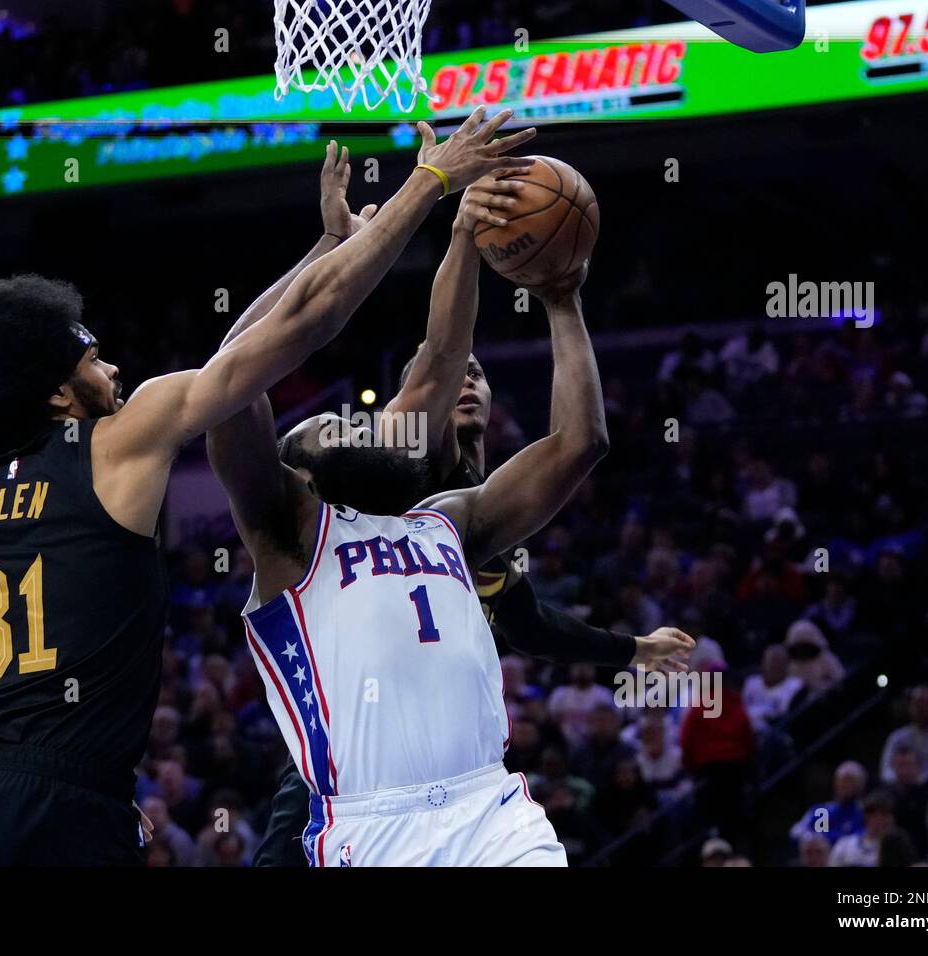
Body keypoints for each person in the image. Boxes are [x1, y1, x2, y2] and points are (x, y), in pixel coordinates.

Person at [0, 112, 535, 865]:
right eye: (96, 361)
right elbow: (301, 328)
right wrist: (428, 184)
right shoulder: (118, 439)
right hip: (68, 805)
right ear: (57, 395)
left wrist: (328, 244)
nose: (114, 374)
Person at [245, 145, 691, 866]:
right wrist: (331, 248)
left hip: (490, 808)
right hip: (355, 808)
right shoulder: (293, 540)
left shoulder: (447, 519)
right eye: (333, 428)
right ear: (300, 479)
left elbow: (570, 437)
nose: (358, 423)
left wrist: (529, 276)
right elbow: (239, 376)